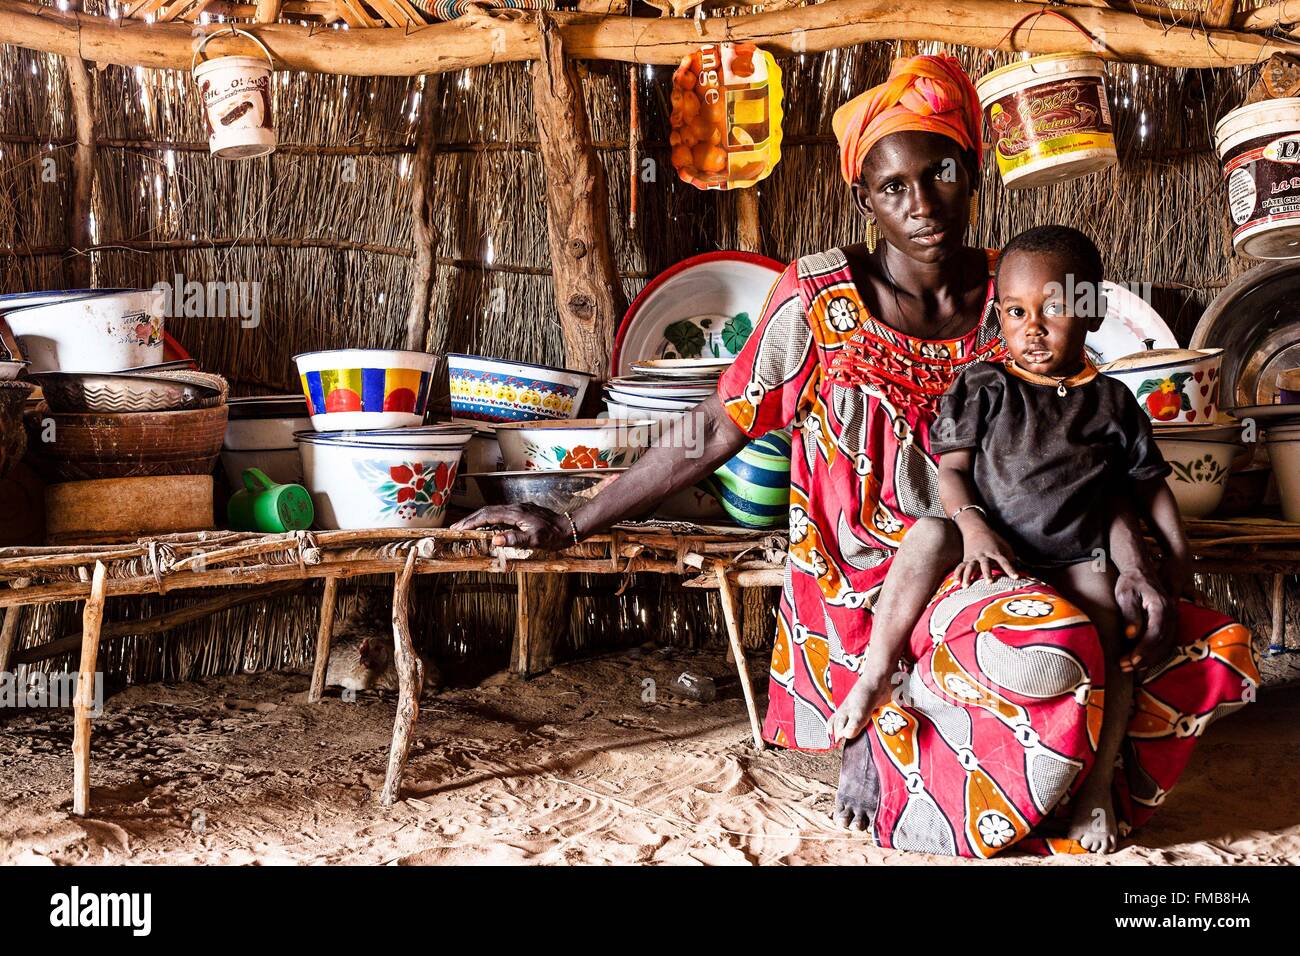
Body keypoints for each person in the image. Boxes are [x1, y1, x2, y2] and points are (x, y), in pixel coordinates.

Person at [454, 54, 1259, 858]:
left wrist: (1135, 555)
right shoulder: (817, 304)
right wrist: (571, 520)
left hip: (1005, 563)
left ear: (972, 170)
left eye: (941, 172)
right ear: (863, 197)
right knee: (1050, 651)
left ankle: (971, 747)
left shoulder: (1018, 298)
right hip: (865, 592)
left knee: (1124, 639)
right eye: (893, 186)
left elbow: (1085, 450)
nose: (922, 204)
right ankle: (885, 720)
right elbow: (717, 424)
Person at [828, 224, 1189, 853]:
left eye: (1054, 308)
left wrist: (1176, 560)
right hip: (986, 540)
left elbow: (1146, 490)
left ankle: (1099, 785)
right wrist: (974, 530)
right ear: (1000, 315)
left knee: (1110, 640)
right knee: (925, 536)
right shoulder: (984, 387)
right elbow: (953, 470)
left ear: (1092, 310)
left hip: (1077, 556)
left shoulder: (1112, 403)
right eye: (1017, 311)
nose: (1034, 327)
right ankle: (877, 672)